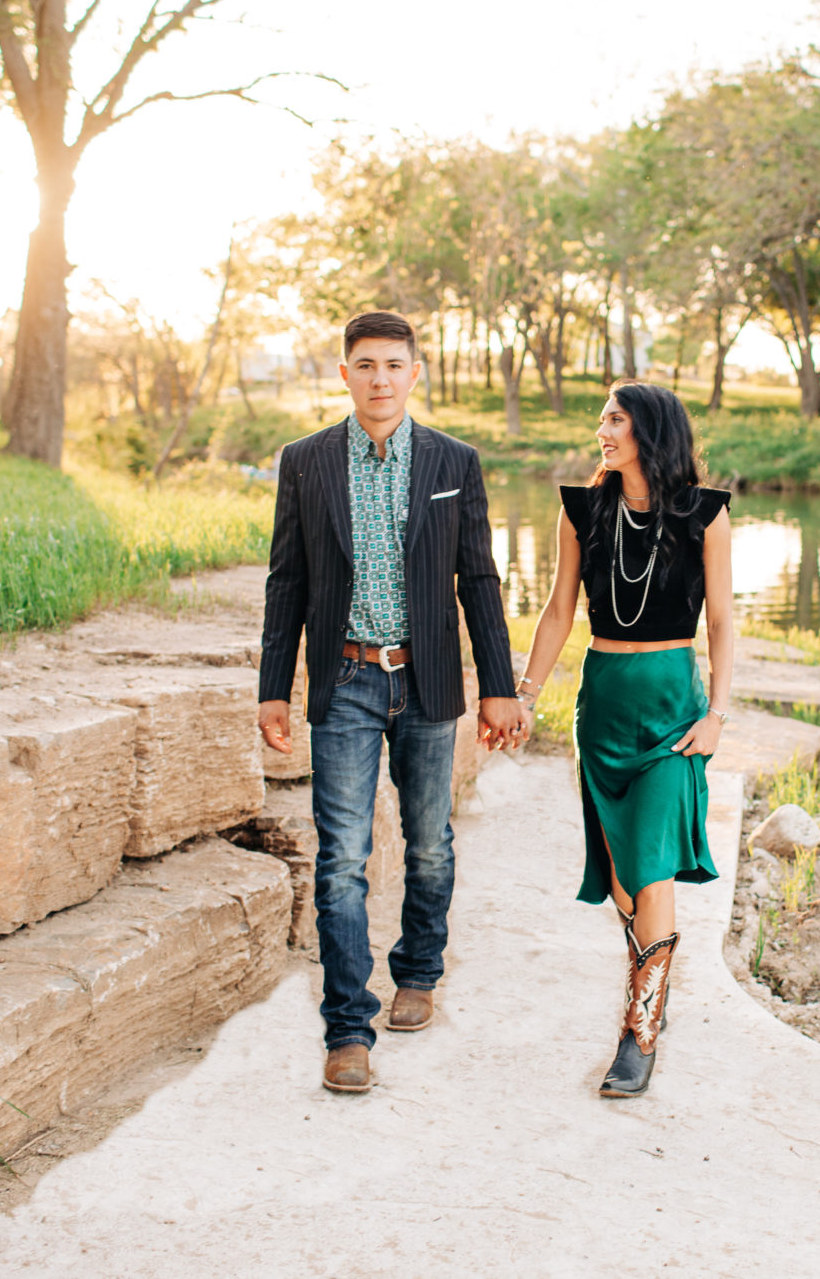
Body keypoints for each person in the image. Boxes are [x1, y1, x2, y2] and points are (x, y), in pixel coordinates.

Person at [258, 310, 531, 1095]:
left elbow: (478, 578)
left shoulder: (454, 460)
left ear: (417, 374)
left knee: (428, 841)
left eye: (393, 365)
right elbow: (288, 581)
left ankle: (418, 971)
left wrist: (500, 686)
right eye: (365, 364)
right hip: (343, 679)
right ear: (343, 375)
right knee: (341, 857)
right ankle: (347, 1027)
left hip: (428, 680)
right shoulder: (306, 462)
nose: (379, 378)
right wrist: (275, 686)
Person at [516, 380, 734, 1097]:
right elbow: (556, 611)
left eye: (614, 419)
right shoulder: (582, 510)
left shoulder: (706, 514)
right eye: (604, 418)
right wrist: (524, 695)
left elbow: (724, 621)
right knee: (621, 877)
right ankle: (654, 983)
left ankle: (638, 1033)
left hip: (673, 712)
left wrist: (718, 713)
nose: (601, 429)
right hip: (603, 711)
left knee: (650, 867)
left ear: (649, 430)